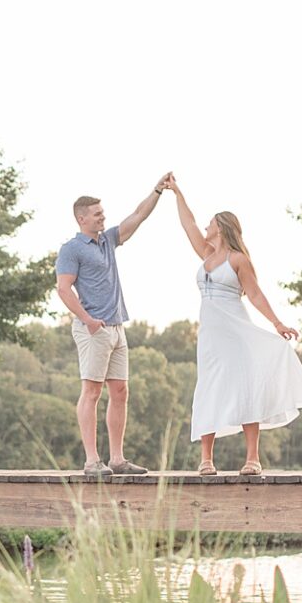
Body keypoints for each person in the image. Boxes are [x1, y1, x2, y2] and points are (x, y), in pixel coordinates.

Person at [162, 172, 302, 476]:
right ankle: (206, 459)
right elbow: (188, 224)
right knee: (208, 387)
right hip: (210, 337)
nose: (205, 226)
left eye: (210, 223)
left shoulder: (237, 260)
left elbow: (255, 294)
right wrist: (177, 193)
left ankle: (253, 459)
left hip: (237, 333)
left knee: (246, 388)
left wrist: (277, 323)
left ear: (221, 227)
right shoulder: (205, 254)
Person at [55, 176, 171, 477]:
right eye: (97, 214)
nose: (103, 217)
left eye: (103, 213)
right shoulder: (71, 249)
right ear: (82, 219)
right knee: (91, 392)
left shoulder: (107, 240)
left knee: (120, 391)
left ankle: (117, 460)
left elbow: (138, 216)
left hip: (117, 326)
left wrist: (157, 190)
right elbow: (64, 289)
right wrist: (88, 319)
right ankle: (92, 461)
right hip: (93, 328)